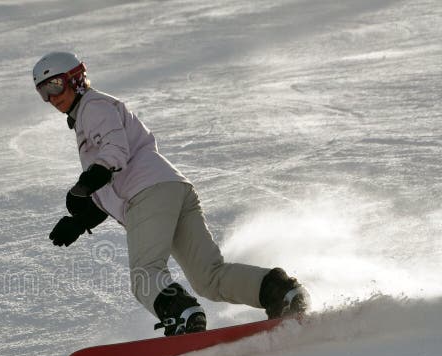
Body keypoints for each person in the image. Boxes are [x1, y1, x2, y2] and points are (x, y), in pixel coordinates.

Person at [33, 51, 310, 335]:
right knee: (209, 276)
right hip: (172, 189)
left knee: (145, 275)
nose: (52, 97)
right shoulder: (90, 115)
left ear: (76, 79)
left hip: (149, 193)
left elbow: (114, 154)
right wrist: (81, 220)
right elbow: (111, 176)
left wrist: (83, 186)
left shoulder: (93, 107)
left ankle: (182, 316)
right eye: (43, 92)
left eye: (56, 85)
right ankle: (280, 293)